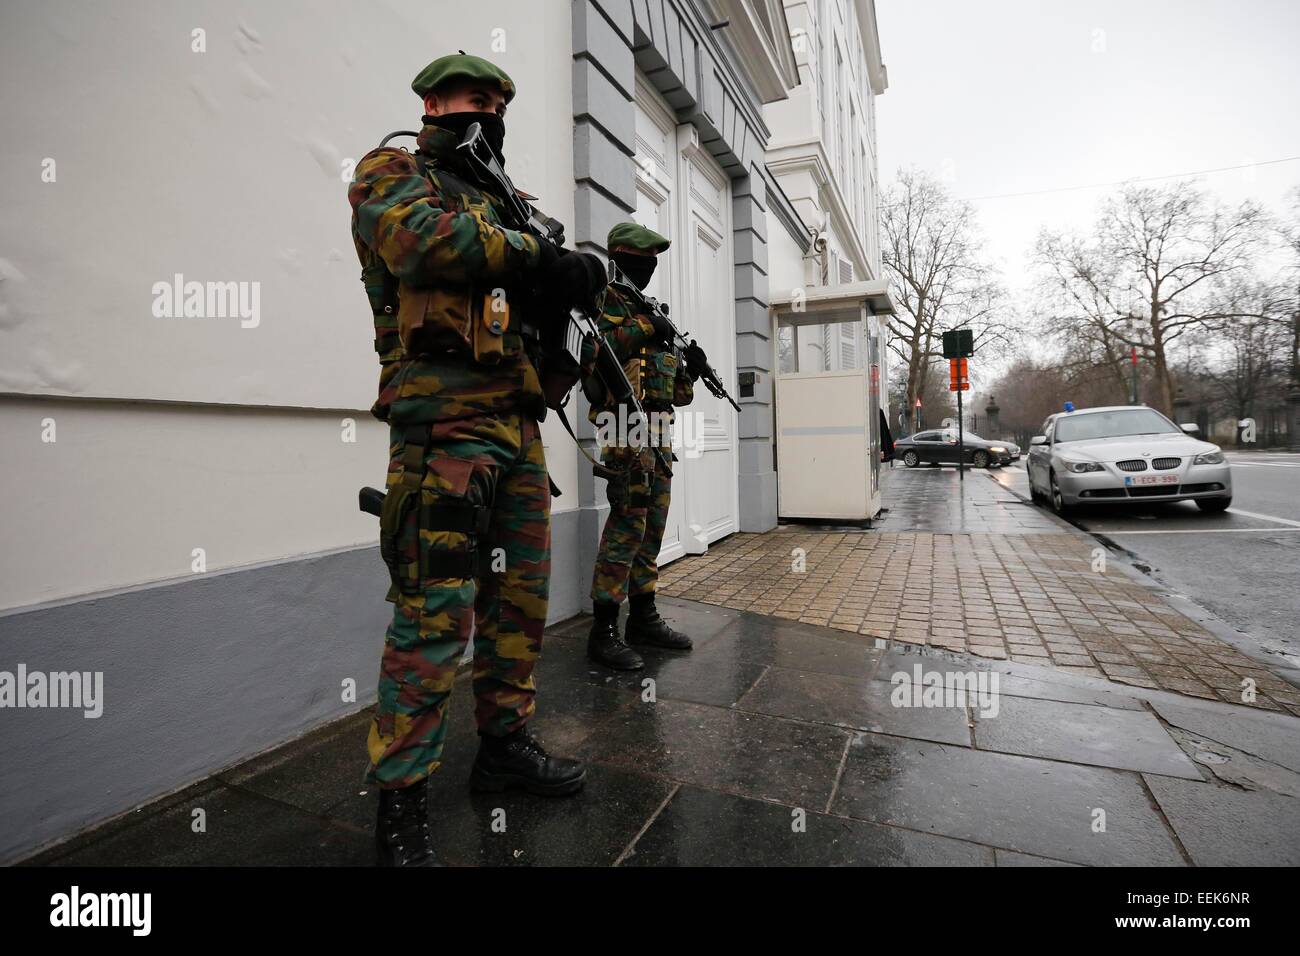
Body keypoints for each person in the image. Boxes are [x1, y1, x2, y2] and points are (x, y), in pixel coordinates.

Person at [348, 52, 607, 866]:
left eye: (496, 101)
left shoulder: (513, 206)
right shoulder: (394, 171)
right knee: (433, 616)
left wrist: (578, 285)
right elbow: (419, 245)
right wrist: (540, 258)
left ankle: (503, 750)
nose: (485, 111)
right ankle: (401, 805)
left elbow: (535, 300)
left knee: (517, 607)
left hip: (518, 427)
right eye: (470, 97)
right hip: (443, 429)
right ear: (430, 101)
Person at [586, 223, 704, 671]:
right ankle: (603, 631)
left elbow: (677, 394)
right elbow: (597, 351)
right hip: (623, 426)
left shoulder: (653, 310)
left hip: (657, 429)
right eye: (642, 262)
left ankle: (643, 618)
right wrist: (645, 326)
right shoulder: (606, 299)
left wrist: (689, 368)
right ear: (621, 259)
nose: (650, 269)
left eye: (654, 263)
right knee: (626, 528)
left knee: (652, 526)